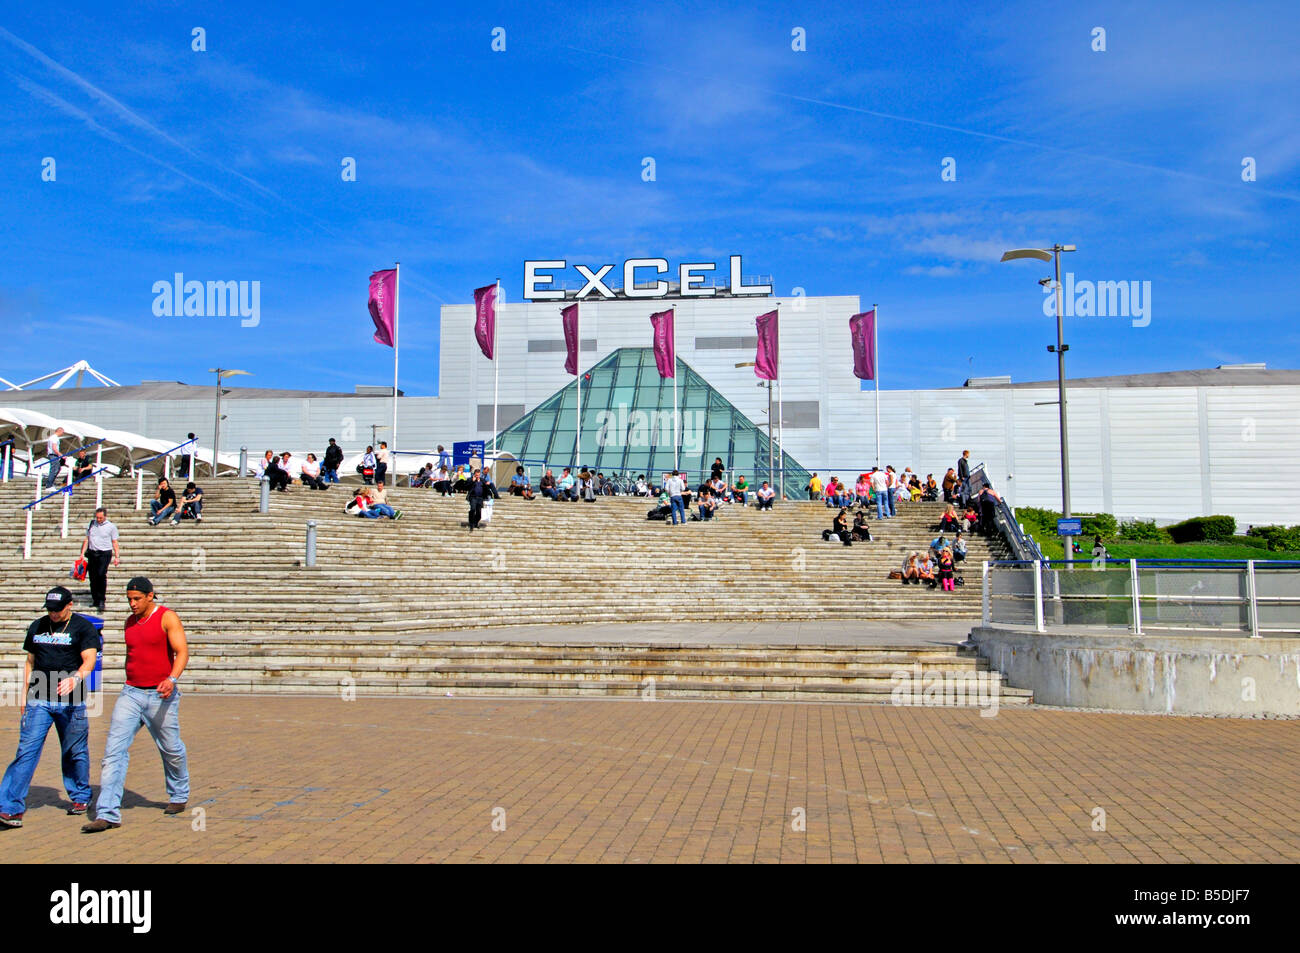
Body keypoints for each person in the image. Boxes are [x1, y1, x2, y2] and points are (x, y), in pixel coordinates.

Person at [82, 577, 190, 833]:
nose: (132, 604)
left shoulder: (167, 617)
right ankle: (107, 813)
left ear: (150, 596)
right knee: (113, 752)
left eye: (137, 599)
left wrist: (171, 679)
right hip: (130, 693)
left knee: (171, 748)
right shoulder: (129, 622)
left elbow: (182, 651)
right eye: (129, 599)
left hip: (160, 694)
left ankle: (178, 793)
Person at [0, 587, 99, 828]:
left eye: (57, 610)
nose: (53, 614)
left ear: (70, 605)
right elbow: (29, 662)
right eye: (50, 610)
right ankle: (10, 808)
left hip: (71, 702)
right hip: (39, 699)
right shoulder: (38, 626)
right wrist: (24, 696)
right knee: (26, 751)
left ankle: (80, 796)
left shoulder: (82, 628)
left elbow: (90, 660)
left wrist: (75, 678)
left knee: (74, 751)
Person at [79, 508, 120, 613]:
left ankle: (102, 599)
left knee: (101, 575)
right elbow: (87, 539)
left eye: (101, 517)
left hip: (104, 553)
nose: (99, 519)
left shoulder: (111, 527)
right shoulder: (92, 524)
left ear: (105, 516)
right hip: (93, 553)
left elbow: (114, 542)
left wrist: (117, 556)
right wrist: (82, 554)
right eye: (97, 517)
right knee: (92, 577)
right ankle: (95, 599)